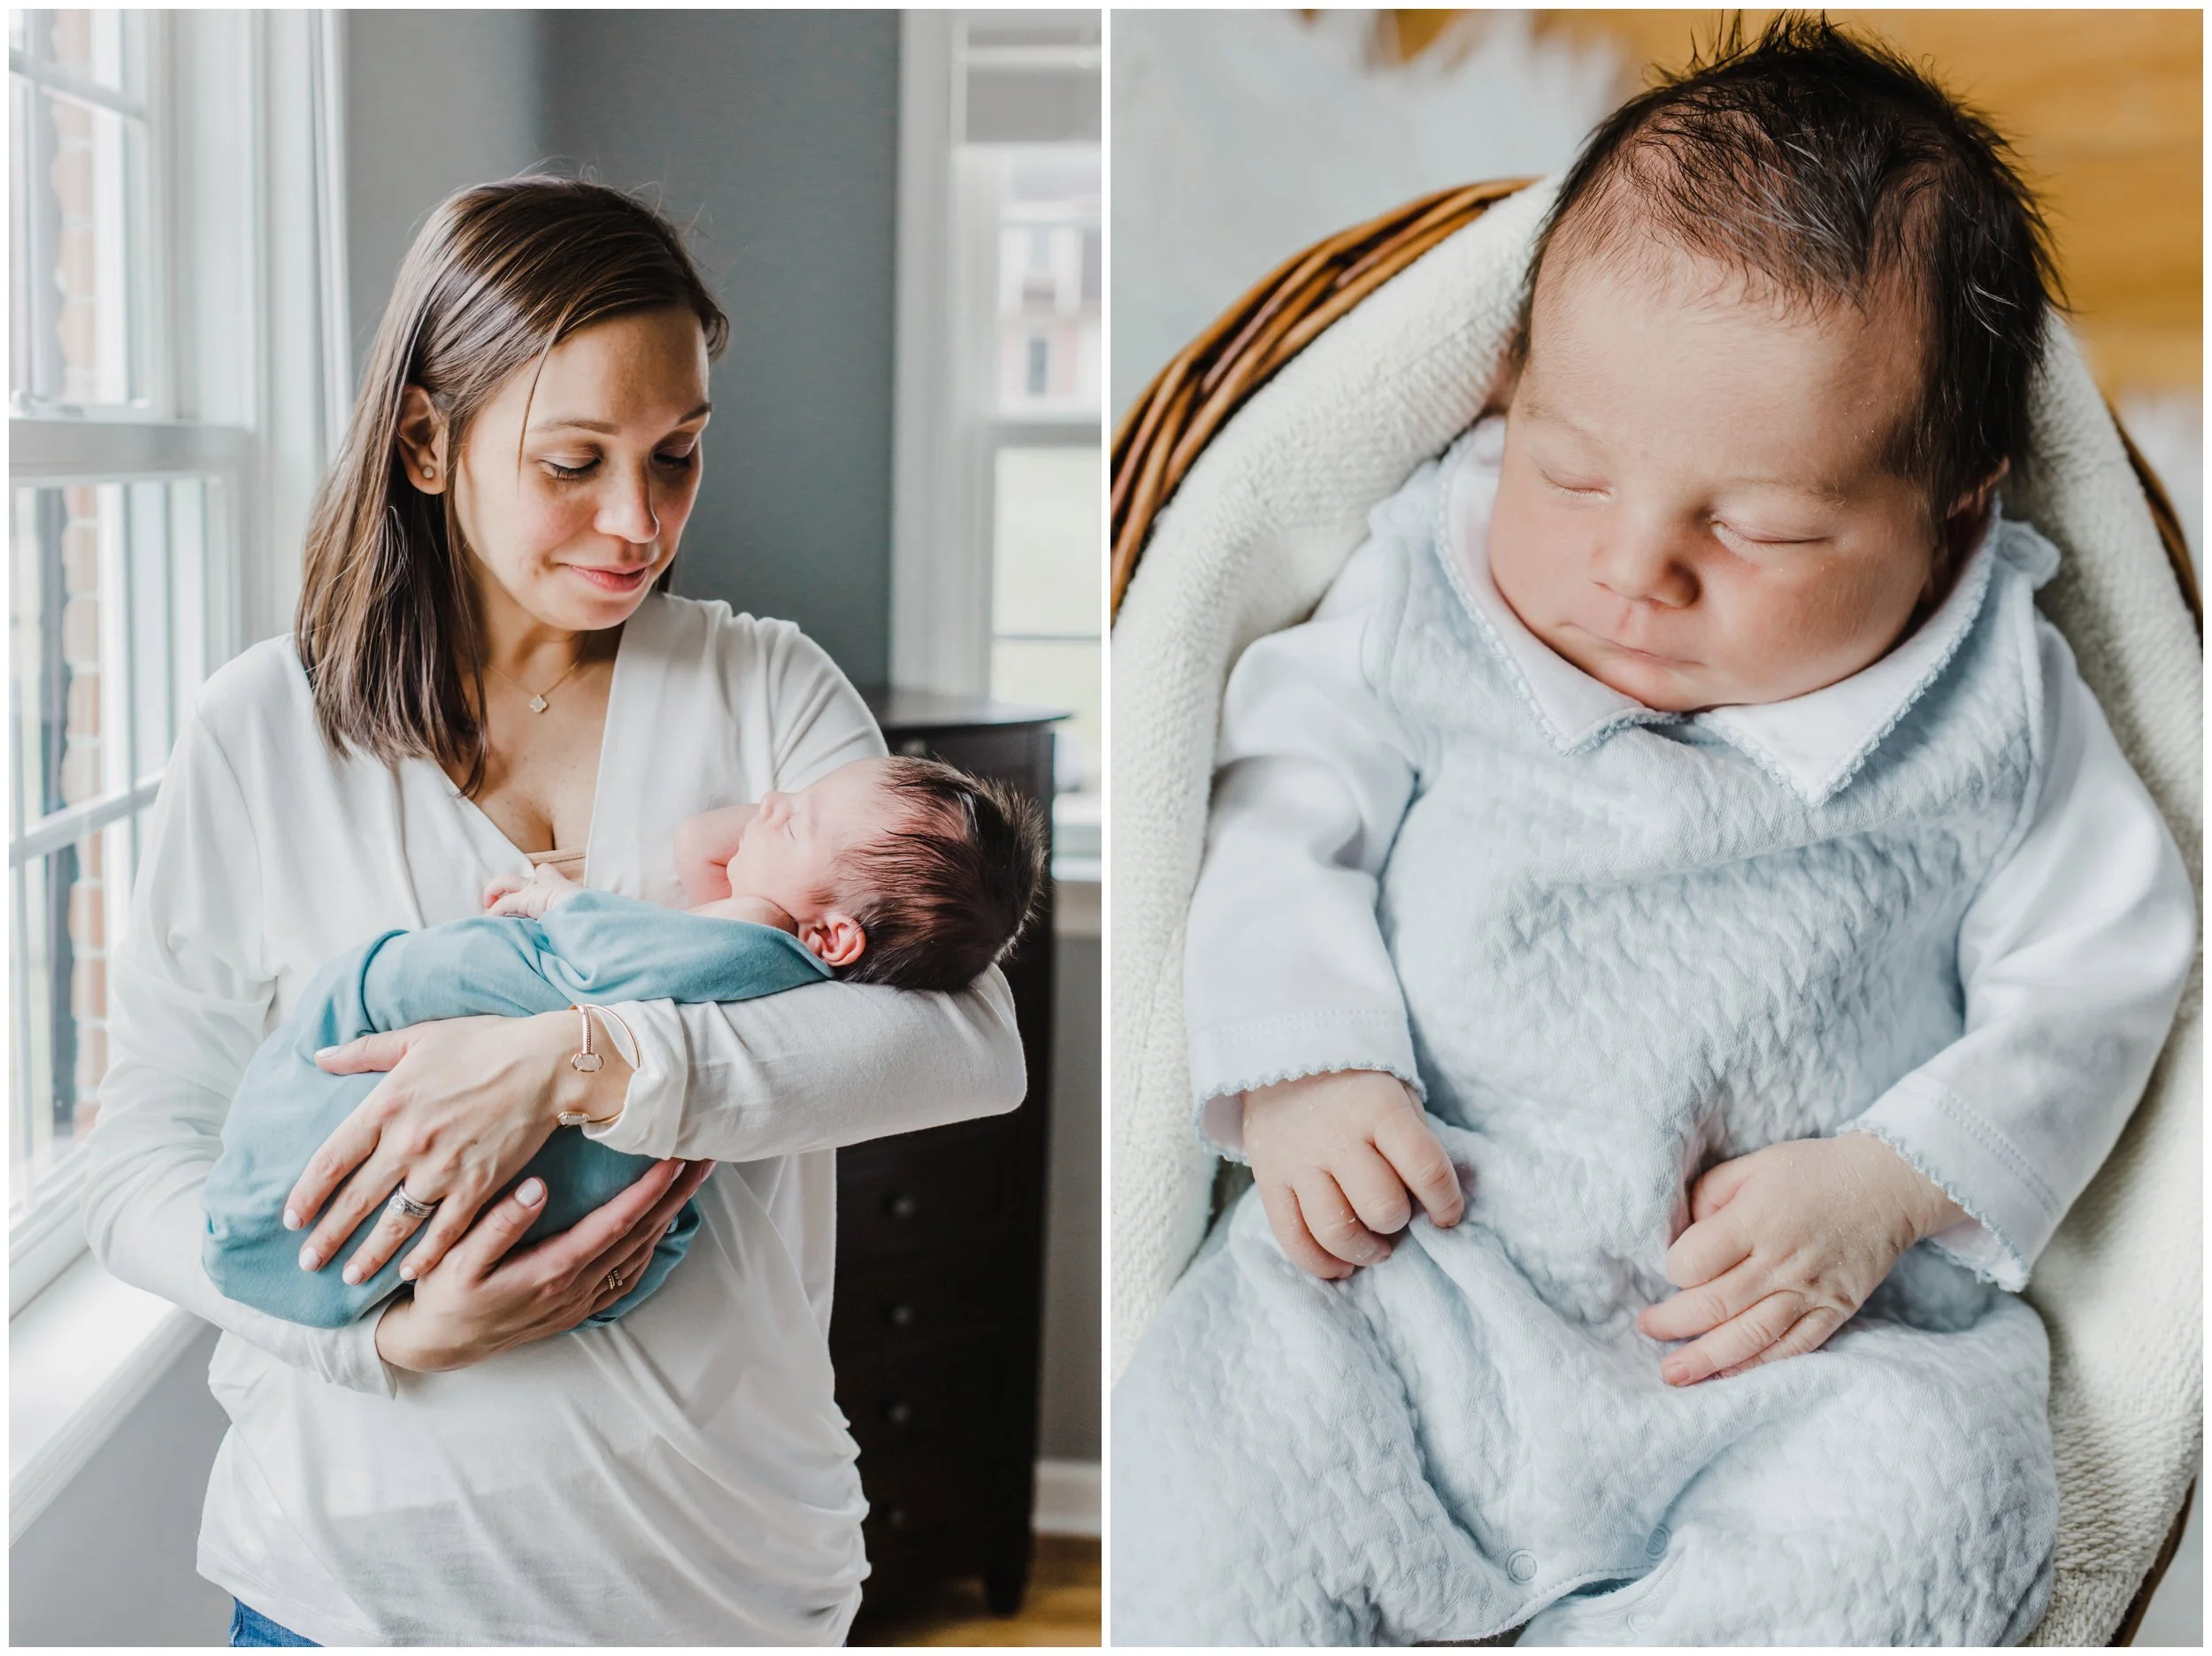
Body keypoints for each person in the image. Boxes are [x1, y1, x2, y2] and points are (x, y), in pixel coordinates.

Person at [1111, 18, 2193, 1645]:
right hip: (1414, 1283)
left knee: (1933, 1498)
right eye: (1567, 472)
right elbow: (1276, 810)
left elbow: (2112, 960)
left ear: (1956, 507)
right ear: (1510, 393)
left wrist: (1895, 1180)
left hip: (1795, 1351)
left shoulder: (1999, 699)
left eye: (1758, 527)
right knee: (1217, 1448)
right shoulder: (1427, 587)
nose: (1635, 568)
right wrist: (1308, 1063)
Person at [82, 177, 1027, 1647]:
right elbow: (137, 1150)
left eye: (678, 456)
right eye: (574, 460)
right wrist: (385, 1340)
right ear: (425, 443)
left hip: (719, 1575)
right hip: (357, 1591)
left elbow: (972, 1045)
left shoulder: (762, 690)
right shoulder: (258, 735)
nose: (637, 521)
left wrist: (586, 1059)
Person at [203, 755, 1047, 1331]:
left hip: (526, 1011)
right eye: (794, 792)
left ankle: (261, 1232)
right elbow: (701, 855)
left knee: (357, 1014)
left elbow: (610, 960)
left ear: (831, 938)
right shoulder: (779, 957)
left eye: (797, 823)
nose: (774, 803)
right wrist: (794, 828)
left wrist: (555, 901)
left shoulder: (755, 934)